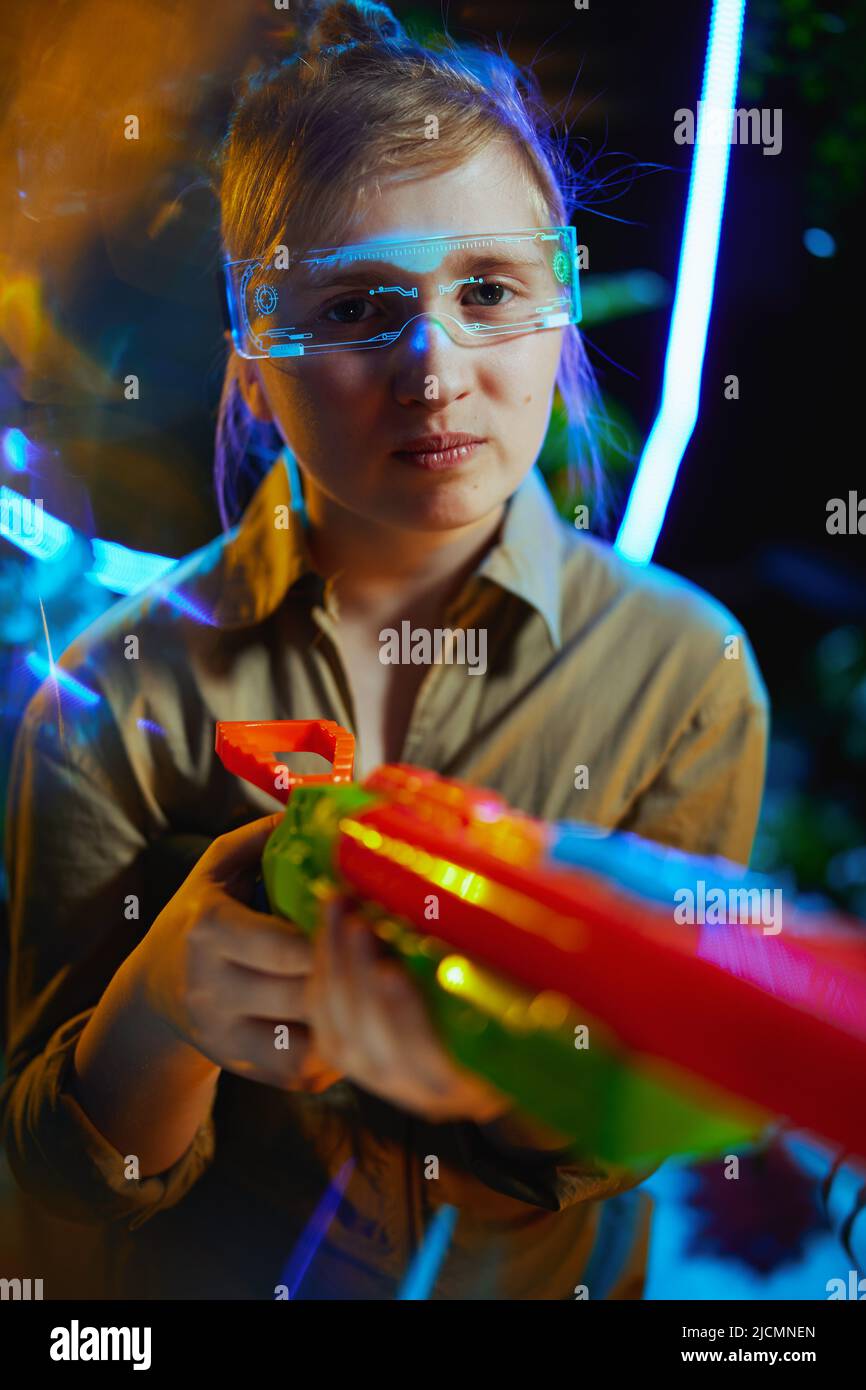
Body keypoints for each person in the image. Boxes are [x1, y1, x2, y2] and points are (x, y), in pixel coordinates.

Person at [0, 0, 769, 1300]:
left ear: (556, 305)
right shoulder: (111, 701)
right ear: (256, 341)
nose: (434, 367)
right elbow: (57, 1191)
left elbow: (633, 1133)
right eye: (357, 305)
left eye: (487, 290)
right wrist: (160, 1017)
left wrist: (506, 1073)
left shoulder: (684, 675)